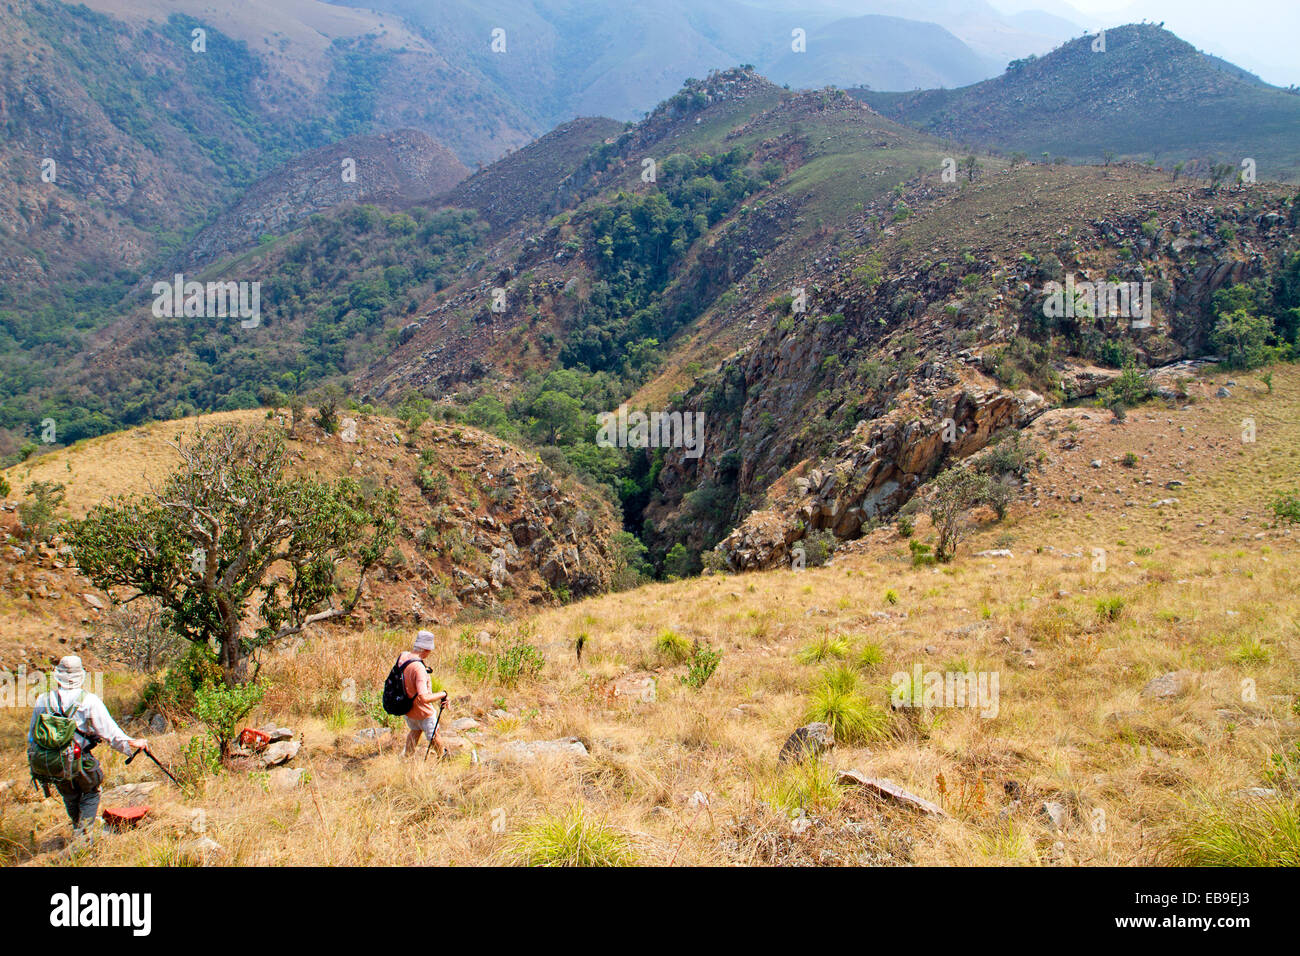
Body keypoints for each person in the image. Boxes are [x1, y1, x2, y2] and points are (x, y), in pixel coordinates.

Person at [27, 655, 148, 841]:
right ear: (80, 676)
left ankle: (79, 830)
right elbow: (110, 732)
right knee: (91, 792)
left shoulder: (43, 699)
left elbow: (33, 736)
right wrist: (132, 743)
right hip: (79, 760)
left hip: (54, 762)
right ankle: (83, 838)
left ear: (58, 676)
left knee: (70, 796)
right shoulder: (89, 701)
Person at [399, 631, 449, 758]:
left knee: (415, 731)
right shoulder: (418, 668)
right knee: (433, 735)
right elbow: (423, 698)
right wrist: (443, 694)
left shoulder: (403, 657)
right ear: (426, 649)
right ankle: (442, 757)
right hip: (423, 711)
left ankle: (407, 758)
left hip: (407, 707)